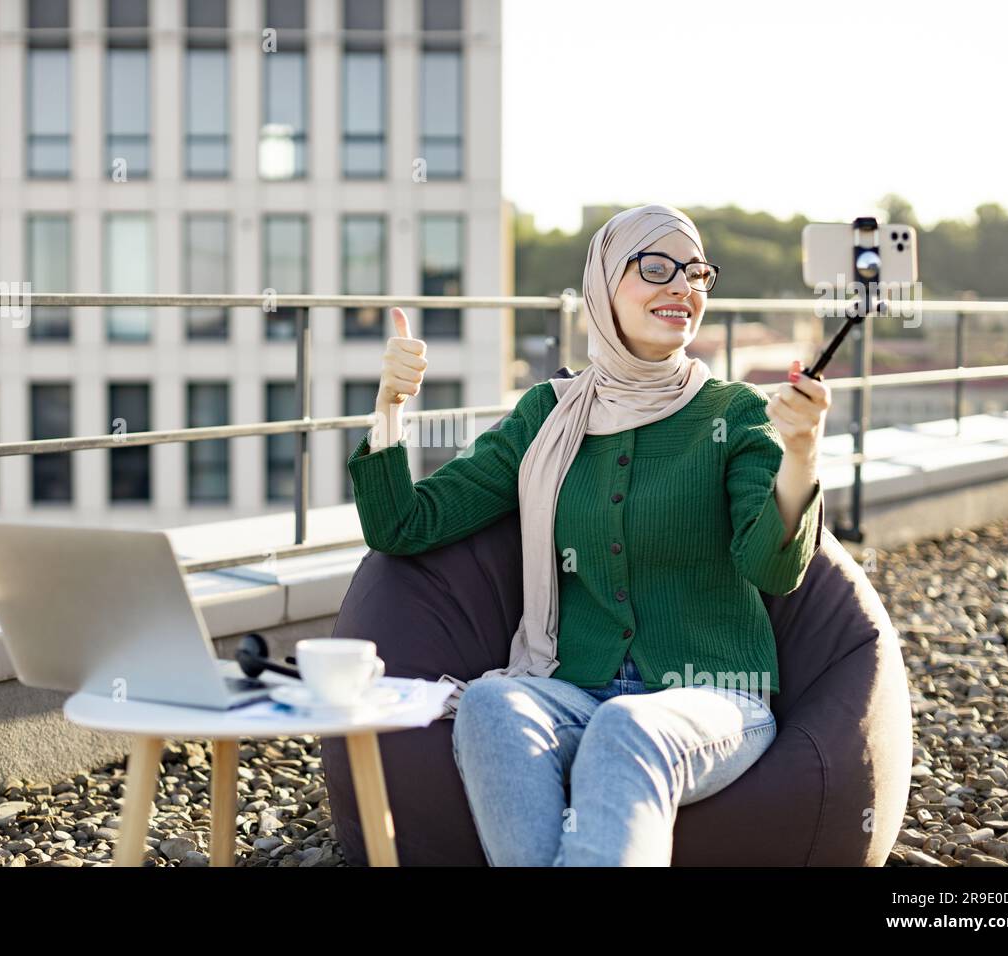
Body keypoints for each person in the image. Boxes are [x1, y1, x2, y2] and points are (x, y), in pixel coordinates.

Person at [345, 204, 831, 866]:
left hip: (715, 697)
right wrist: (389, 411)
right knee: (489, 703)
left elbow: (773, 567)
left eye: (695, 272)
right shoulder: (547, 416)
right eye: (654, 267)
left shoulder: (733, 414)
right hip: (575, 690)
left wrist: (800, 452)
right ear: (603, 286)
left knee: (626, 727)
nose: (681, 287)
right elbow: (402, 525)